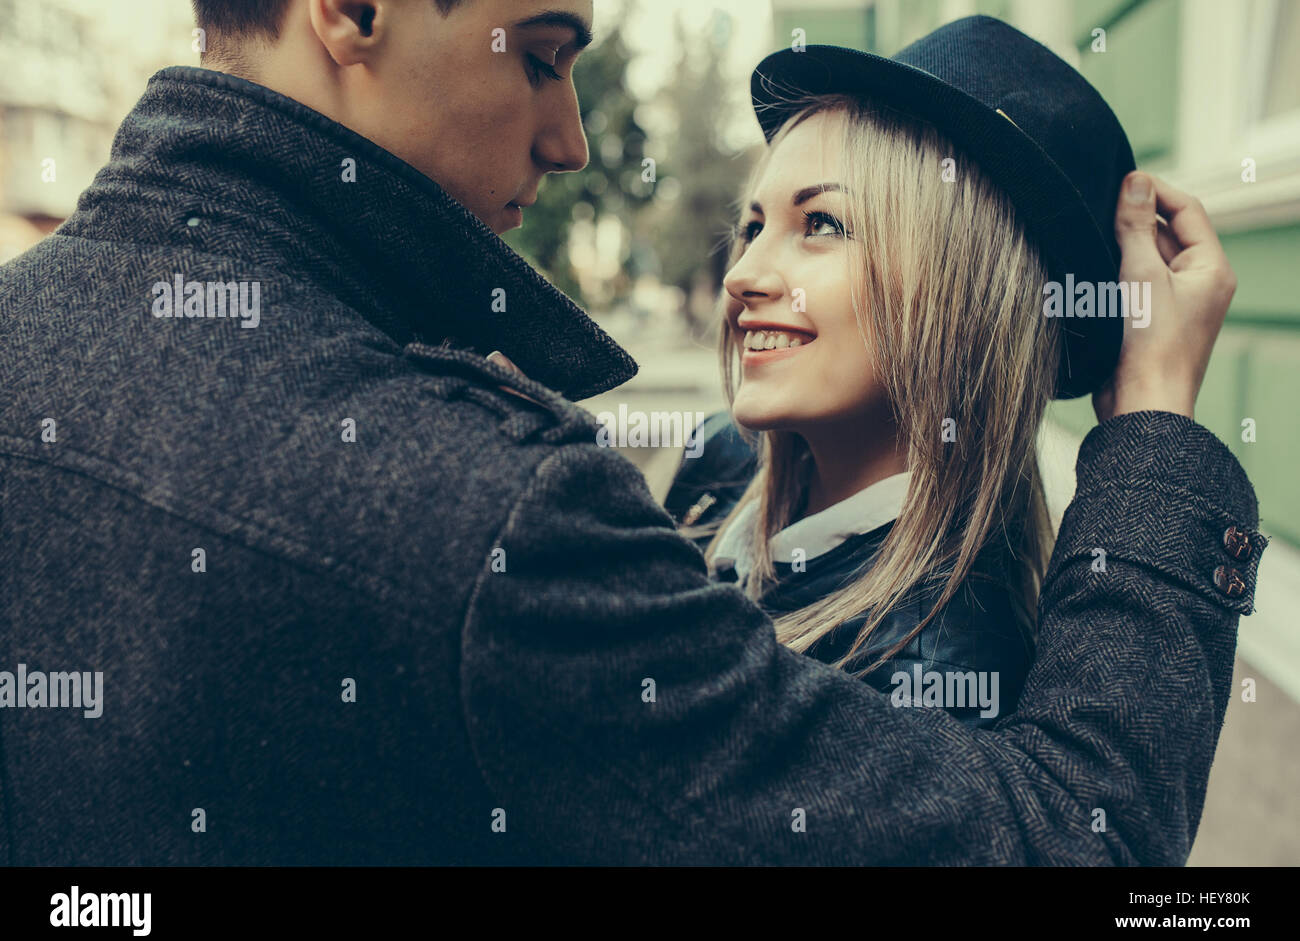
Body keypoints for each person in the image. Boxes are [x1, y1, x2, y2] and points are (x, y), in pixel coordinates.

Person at [0, 3, 1263, 865]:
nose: (571, 137)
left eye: (822, 225)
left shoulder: (30, 323)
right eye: (543, 54)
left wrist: (1151, 425)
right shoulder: (523, 509)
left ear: (964, 289)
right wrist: (1151, 426)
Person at [660, 30, 1166, 730]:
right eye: (753, 228)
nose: (742, 276)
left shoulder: (933, 680)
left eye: (823, 224)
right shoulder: (718, 457)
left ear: (967, 298)